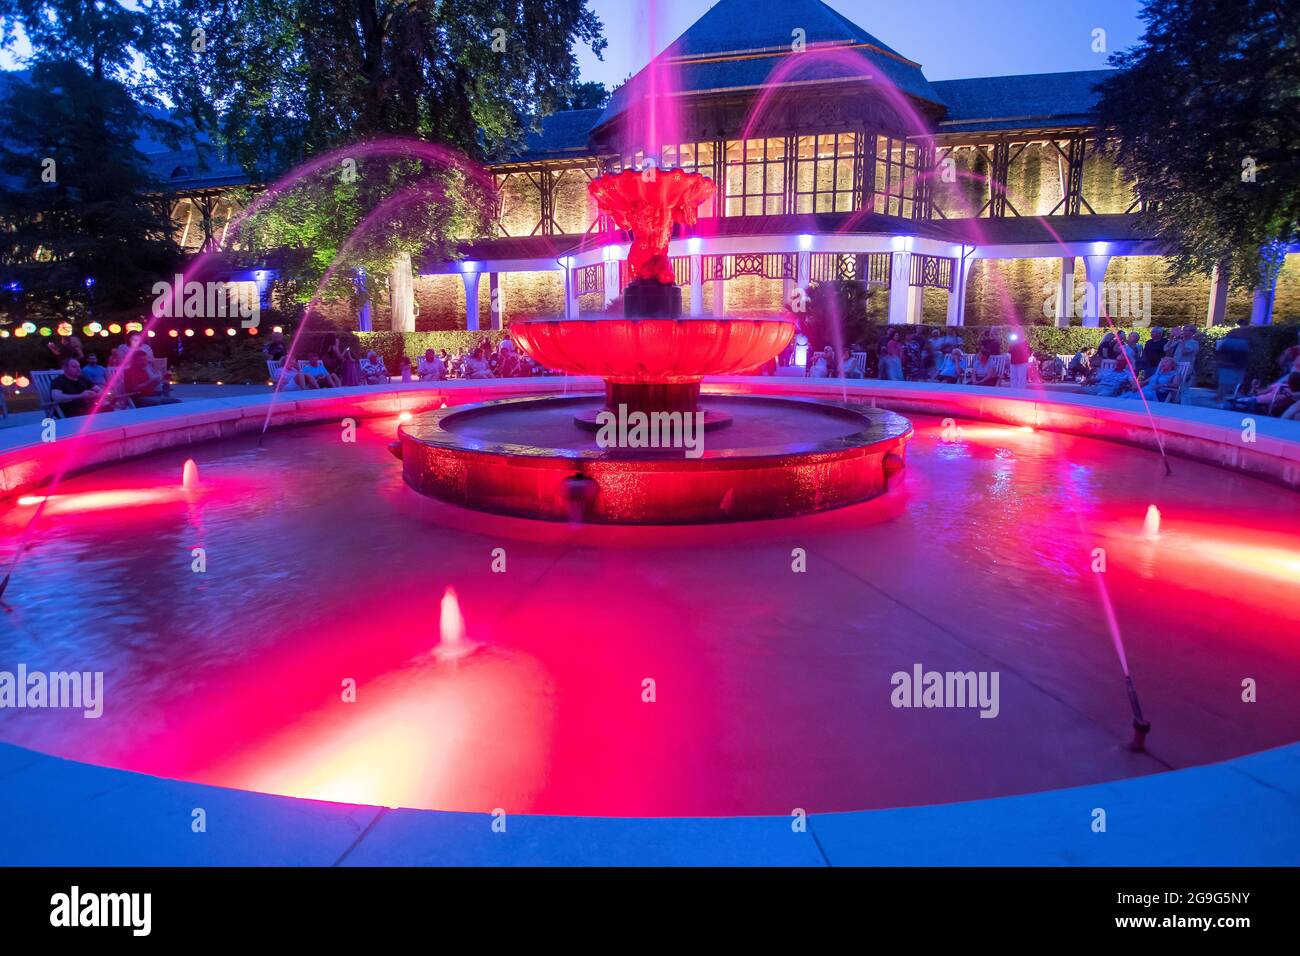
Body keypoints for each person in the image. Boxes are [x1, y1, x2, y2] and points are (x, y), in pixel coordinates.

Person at [1215, 319, 1252, 402]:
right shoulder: (1249, 334)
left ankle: (1220, 400)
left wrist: (1220, 360)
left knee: (1223, 384)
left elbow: (1221, 349)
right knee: (1237, 384)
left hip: (1226, 363)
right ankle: (1233, 402)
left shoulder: (1232, 333)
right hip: (1238, 364)